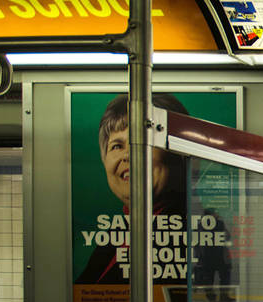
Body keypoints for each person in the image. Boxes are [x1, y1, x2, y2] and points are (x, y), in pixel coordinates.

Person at [77, 93, 190, 284]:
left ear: (179, 154)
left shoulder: (198, 233)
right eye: (117, 146)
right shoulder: (115, 237)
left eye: (144, 142)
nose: (128, 155)